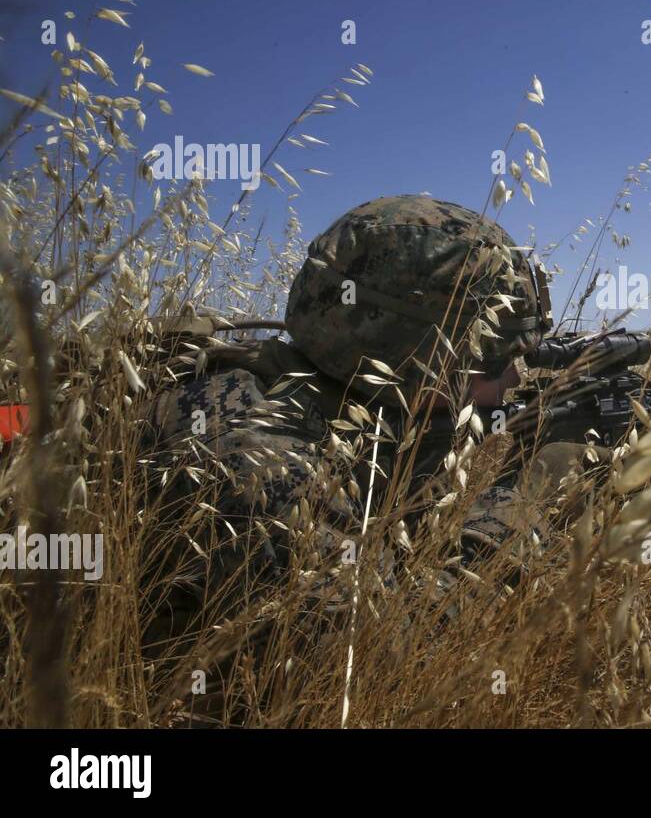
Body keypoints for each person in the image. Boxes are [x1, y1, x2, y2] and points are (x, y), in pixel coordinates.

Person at [141, 195, 605, 683]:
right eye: (490, 356)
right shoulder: (261, 458)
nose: (512, 378)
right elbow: (368, 668)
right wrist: (528, 495)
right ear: (403, 348)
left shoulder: (320, 392)